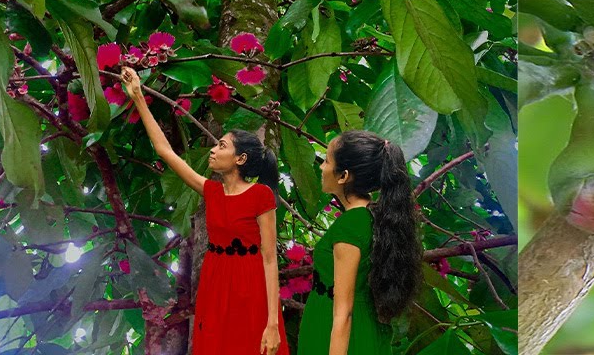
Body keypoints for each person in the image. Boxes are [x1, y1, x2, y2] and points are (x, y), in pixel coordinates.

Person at [121, 67, 290, 355]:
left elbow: (270, 258)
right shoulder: (212, 191)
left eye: (221, 145)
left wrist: (273, 323)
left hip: (250, 283)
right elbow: (165, 151)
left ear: (240, 159)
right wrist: (138, 96)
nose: (213, 149)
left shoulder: (260, 195)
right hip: (215, 280)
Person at [298, 130, 422, 355]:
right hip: (358, 324)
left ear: (343, 176)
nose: (322, 167)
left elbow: (343, 312)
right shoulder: (373, 217)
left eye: (327, 161)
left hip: (338, 333)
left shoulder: (351, 226)